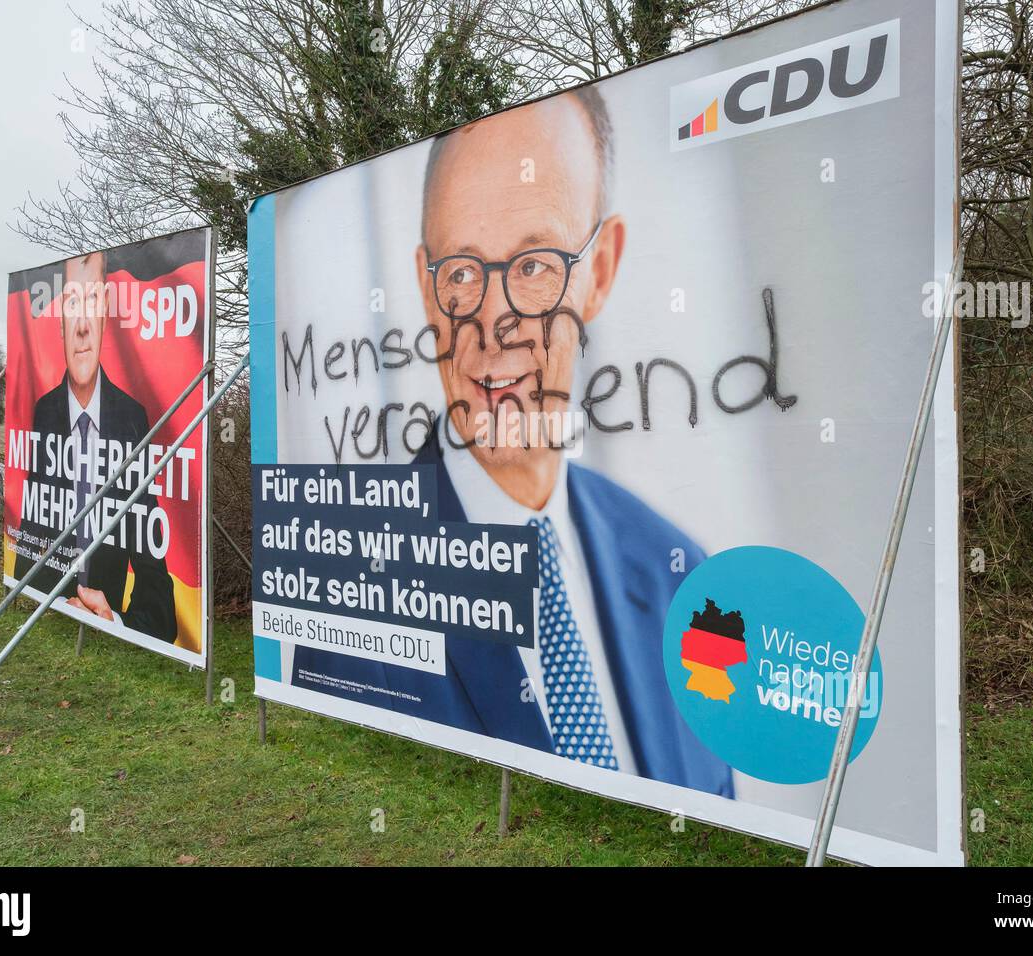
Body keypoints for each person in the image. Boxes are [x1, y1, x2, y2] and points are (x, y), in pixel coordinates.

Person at [291, 89, 732, 796]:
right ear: (427, 293)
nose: (496, 322)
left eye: (534, 265)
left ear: (601, 271)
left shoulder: (685, 580)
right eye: (461, 273)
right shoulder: (353, 593)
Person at [11, 251, 176, 642]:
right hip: (49, 607)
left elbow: (157, 594)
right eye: (72, 303)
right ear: (60, 326)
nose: (82, 325)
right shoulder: (43, 411)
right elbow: (34, 526)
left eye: (92, 302)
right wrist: (40, 596)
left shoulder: (132, 416)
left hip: (109, 611)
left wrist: (115, 622)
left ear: (104, 318)